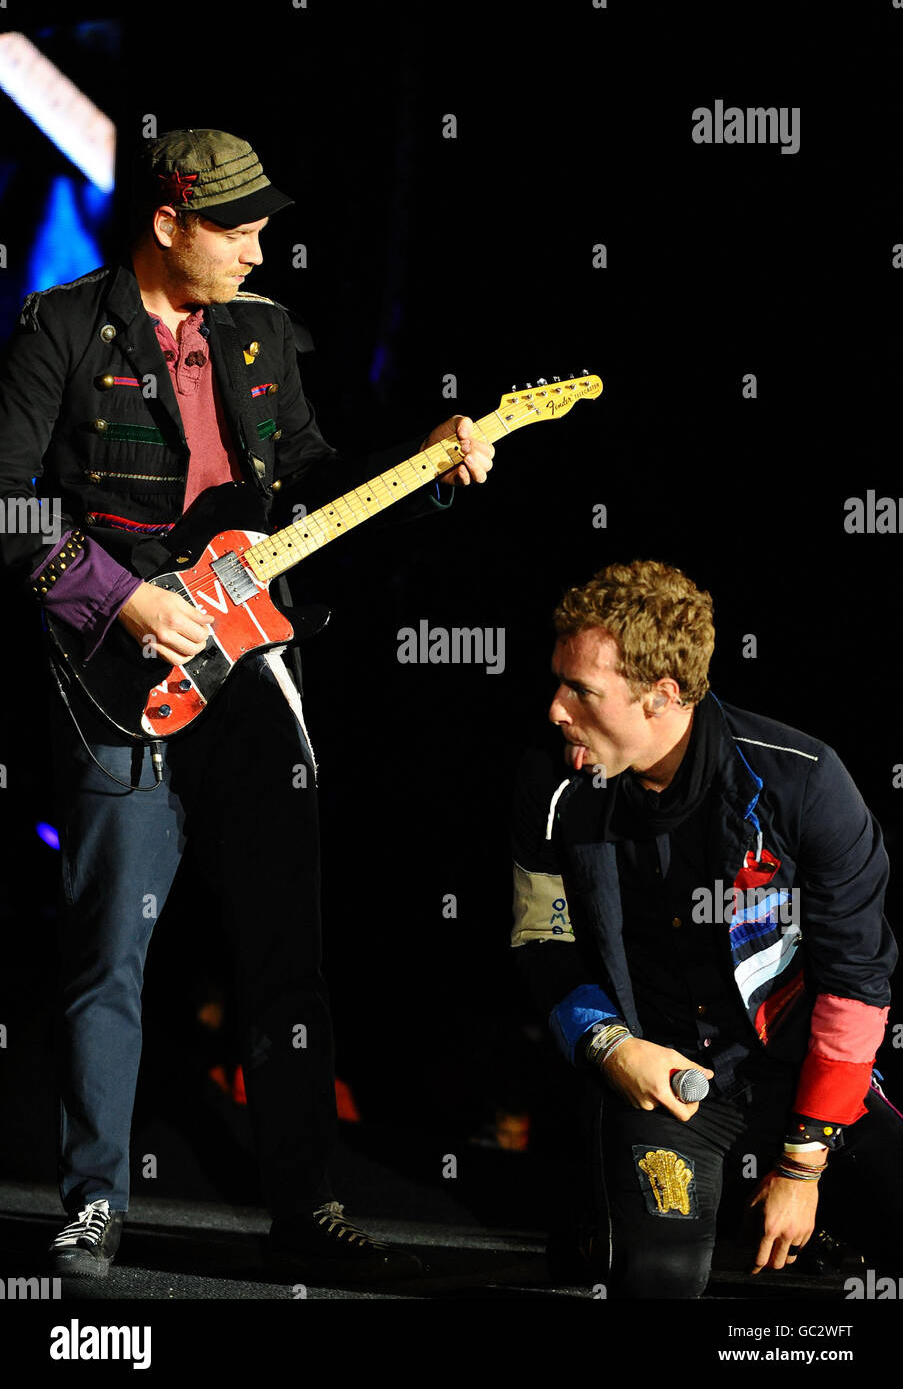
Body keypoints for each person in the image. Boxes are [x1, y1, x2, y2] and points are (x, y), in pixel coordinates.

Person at [0, 128, 494, 1283]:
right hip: (117, 678)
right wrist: (119, 602)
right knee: (106, 952)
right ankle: (92, 1202)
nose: (262, 244)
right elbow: (5, 505)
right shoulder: (62, 328)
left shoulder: (263, 333)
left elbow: (317, 481)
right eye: (237, 226)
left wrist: (422, 469)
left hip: (257, 669)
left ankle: (306, 1204)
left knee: (287, 955)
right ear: (168, 222)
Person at [511, 559, 903, 1298]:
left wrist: (799, 1165)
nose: (555, 708)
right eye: (558, 682)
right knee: (654, 1280)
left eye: (580, 691)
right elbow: (541, 941)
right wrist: (610, 1044)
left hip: (801, 1080)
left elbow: (856, 986)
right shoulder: (551, 782)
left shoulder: (803, 781)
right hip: (664, 1084)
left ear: (661, 697)